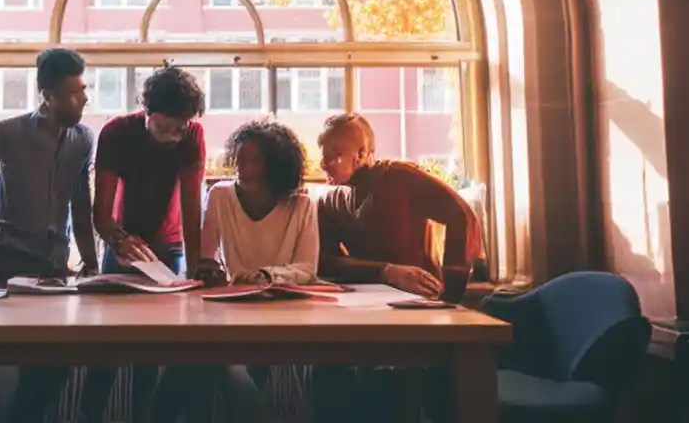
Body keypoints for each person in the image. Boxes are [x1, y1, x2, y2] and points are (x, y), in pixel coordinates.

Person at [0, 47, 99, 422]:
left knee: (52, 364)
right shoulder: (8, 132)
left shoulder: (84, 138)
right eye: (75, 91)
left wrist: (90, 264)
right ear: (48, 94)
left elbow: (81, 204)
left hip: (55, 265)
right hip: (8, 260)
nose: (85, 98)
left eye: (84, 88)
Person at [312, 112, 484, 423]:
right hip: (362, 312)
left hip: (418, 310)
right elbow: (324, 261)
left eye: (334, 155)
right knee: (328, 376)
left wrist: (451, 295)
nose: (325, 164)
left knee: (405, 393)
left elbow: (463, 217)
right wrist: (386, 271)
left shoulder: (399, 177)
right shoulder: (331, 200)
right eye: (323, 157)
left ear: (362, 154)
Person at [153, 120, 319, 423]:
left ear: (275, 165)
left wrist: (266, 275)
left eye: (253, 160)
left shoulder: (301, 205)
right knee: (196, 359)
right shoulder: (220, 195)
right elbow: (207, 259)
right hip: (234, 308)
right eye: (239, 157)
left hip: (282, 311)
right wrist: (209, 271)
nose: (241, 166)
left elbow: (307, 269)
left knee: (206, 362)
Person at [80, 66, 207, 423]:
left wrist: (195, 269)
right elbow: (101, 212)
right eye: (164, 127)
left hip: (169, 249)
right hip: (122, 247)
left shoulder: (192, 135)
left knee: (152, 349)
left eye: (179, 129)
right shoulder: (117, 131)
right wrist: (119, 238)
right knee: (106, 347)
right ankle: (88, 415)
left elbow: (192, 205)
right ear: (147, 113)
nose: (172, 136)